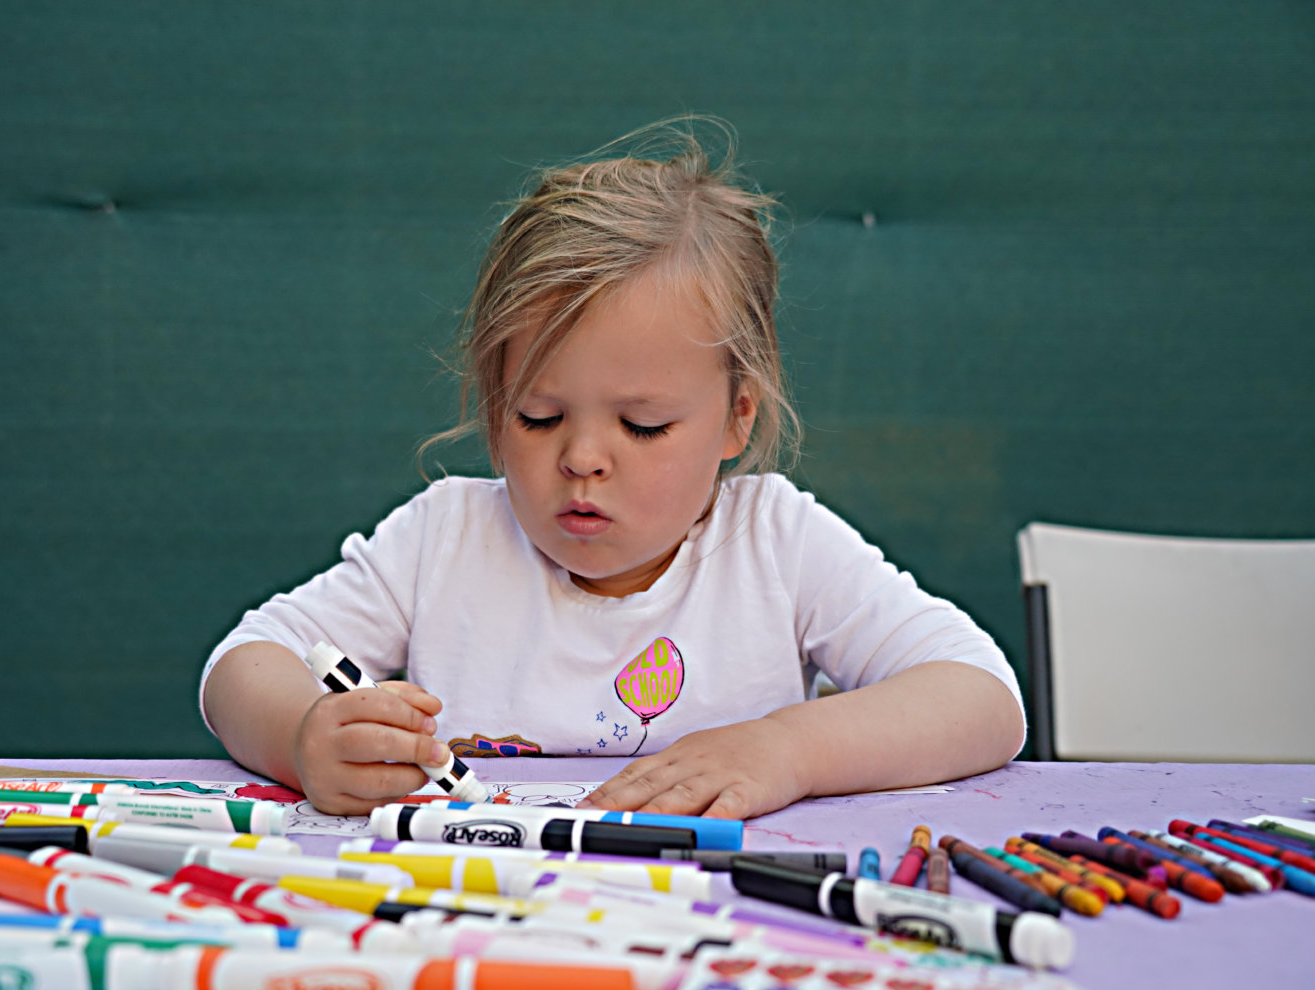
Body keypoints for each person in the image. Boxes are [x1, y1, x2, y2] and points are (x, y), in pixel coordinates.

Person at [201, 118, 1025, 818]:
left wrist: (787, 748)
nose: (583, 458)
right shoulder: (443, 538)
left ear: (738, 416)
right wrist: (307, 737)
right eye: (538, 415)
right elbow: (245, 660)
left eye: (643, 424)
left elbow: (984, 697)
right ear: (493, 409)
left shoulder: (776, 542)